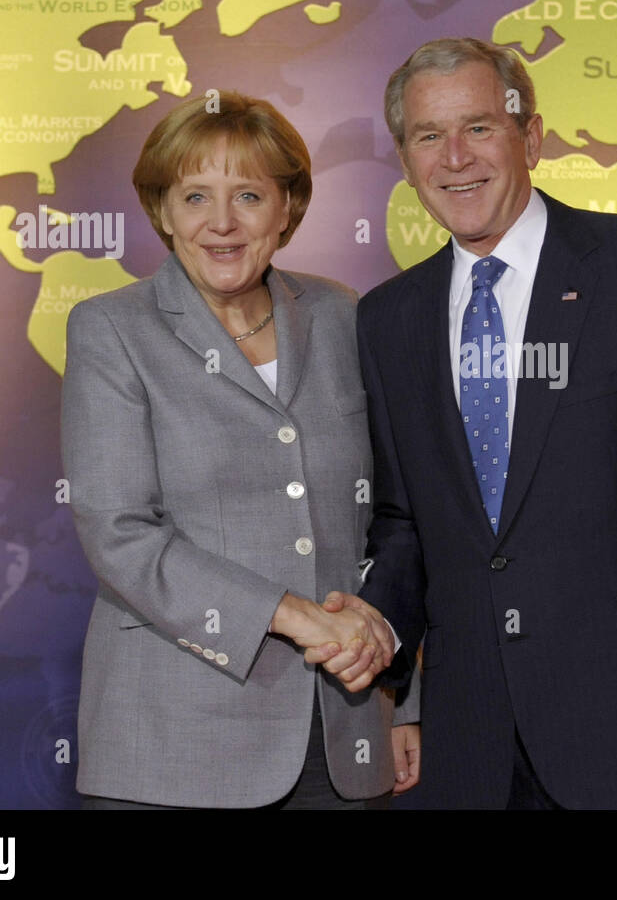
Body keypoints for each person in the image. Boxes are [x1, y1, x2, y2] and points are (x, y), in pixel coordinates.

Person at [331, 37, 617, 809]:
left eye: (479, 126)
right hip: (468, 745)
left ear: (530, 137)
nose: (455, 157)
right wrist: (381, 644)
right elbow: (404, 523)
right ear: (406, 160)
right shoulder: (388, 319)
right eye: (429, 136)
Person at [61, 90, 415, 809]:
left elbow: (399, 512)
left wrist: (403, 700)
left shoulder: (344, 314)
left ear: (288, 209)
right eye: (195, 196)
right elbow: (120, 533)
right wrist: (294, 613)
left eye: (249, 194)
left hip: (343, 736)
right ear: (162, 211)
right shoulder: (112, 330)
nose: (221, 223)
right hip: (172, 747)